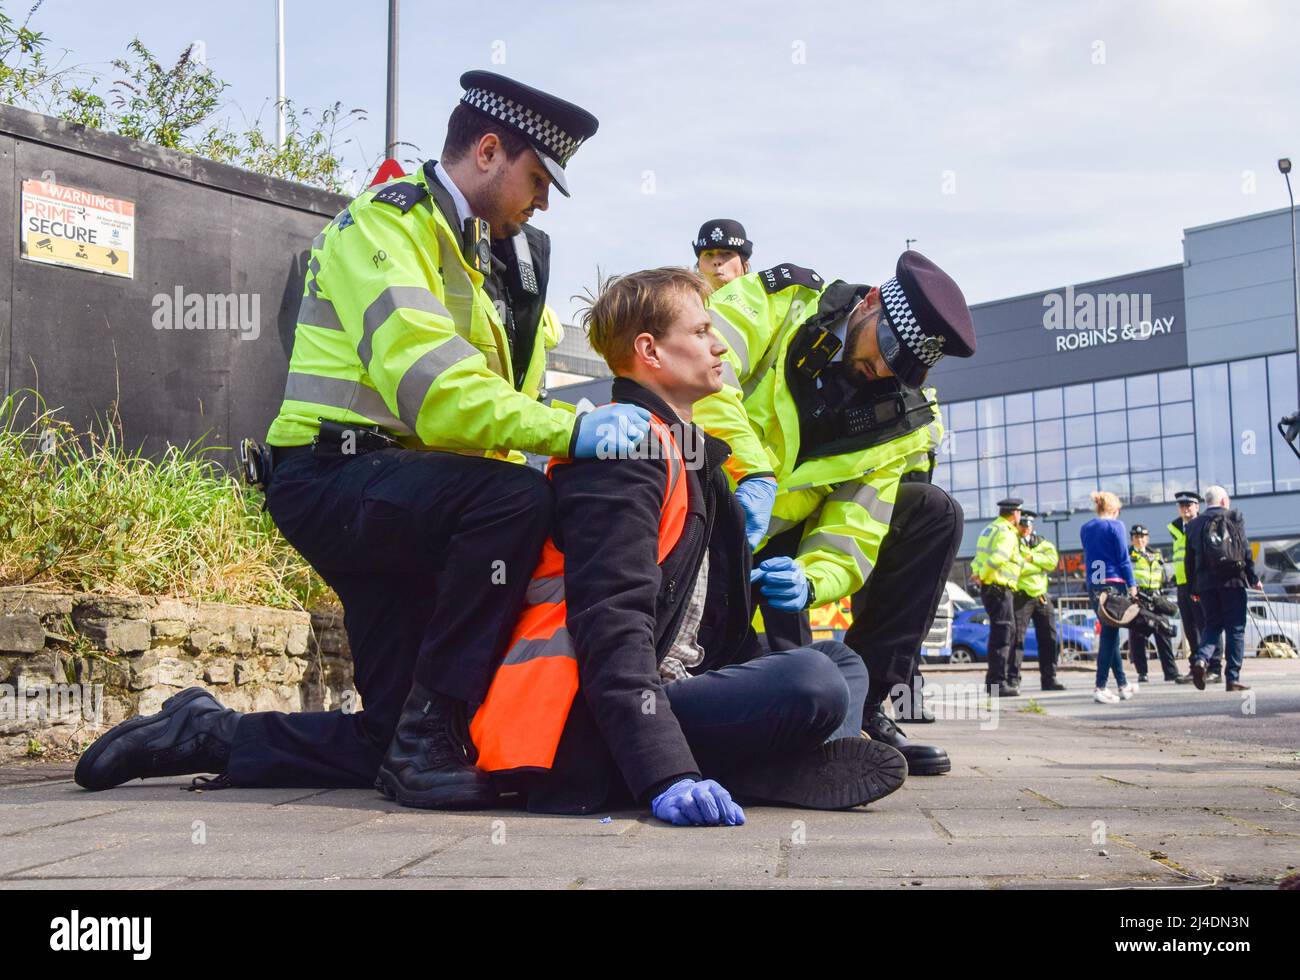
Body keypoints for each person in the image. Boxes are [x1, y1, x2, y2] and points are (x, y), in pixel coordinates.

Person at [74, 72, 654, 807]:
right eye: (537, 179)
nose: (542, 201)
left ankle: (206, 732)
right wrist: (574, 429)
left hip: (411, 497)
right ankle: (431, 734)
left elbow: (503, 403)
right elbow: (435, 391)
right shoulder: (382, 227)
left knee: (389, 738)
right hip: (332, 480)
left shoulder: (500, 260)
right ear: (486, 151)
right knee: (511, 502)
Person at [471, 267, 908, 824]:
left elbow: (710, 633)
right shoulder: (623, 455)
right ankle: (760, 770)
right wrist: (665, 772)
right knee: (813, 682)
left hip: (679, 687)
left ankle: (779, 766)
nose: (720, 342)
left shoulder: (695, 459)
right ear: (650, 351)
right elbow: (612, 623)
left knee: (837, 660)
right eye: (701, 332)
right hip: (590, 722)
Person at [693, 251, 976, 776]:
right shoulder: (778, 303)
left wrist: (809, 579)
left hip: (777, 546)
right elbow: (701, 376)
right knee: (737, 674)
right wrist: (752, 473)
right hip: (700, 510)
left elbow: (853, 528)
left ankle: (862, 712)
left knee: (932, 512)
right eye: (886, 345)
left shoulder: (900, 421)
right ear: (870, 301)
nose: (884, 369)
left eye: (905, 367)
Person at [1184, 485, 1261, 692]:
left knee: (1212, 626)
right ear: (1225, 501)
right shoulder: (1234, 517)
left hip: (1206, 585)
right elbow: (1245, 549)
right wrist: (1253, 577)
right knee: (1235, 629)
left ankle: (1201, 660)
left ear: (1205, 503)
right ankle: (1232, 678)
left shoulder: (1193, 525)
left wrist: (1193, 588)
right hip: (1233, 581)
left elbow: (1188, 560)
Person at [1079, 491, 1138, 704]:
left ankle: (1122, 684)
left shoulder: (1086, 528)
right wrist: (1132, 585)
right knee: (1109, 636)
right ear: (1114, 510)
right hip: (1114, 583)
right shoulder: (1116, 527)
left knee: (1109, 634)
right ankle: (1101, 686)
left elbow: (1091, 556)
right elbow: (1123, 559)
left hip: (1095, 583)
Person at [972, 498, 1025, 696]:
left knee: (1000, 634)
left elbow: (978, 558)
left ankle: (994, 682)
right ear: (1014, 514)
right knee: (1003, 636)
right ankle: (997, 683)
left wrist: (979, 574)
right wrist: (983, 575)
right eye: (1019, 513)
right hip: (999, 588)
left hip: (991, 588)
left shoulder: (989, 529)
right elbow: (998, 558)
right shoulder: (1007, 532)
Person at [1168, 490, 1222, 681]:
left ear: (1197, 507)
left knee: (1208, 624)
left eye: (1189, 505)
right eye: (1182, 506)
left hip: (1201, 582)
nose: (1185, 509)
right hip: (1183, 584)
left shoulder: (1205, 524)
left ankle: (1214, 668)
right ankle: (1196, 668)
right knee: (1190, 628)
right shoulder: (1175, 527)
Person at [1012, 510, 1066, 691]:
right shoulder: (1012, 541)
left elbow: (1052, 562)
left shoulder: (1042, 542)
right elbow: (1015, 566)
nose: (1025, 529)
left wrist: (1032, 558)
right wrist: (1037, 567)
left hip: (1041, 596)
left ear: (1032, 526)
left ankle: (1049, 678)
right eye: (1022, 525)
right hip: (1021, 596)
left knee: (1049, 638)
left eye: (1027, 526)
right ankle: (1013, 679)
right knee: (1017, 639)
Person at [1126, 524, 1180, 683]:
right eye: (1136, 537)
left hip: (1156, 597)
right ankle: (1142, 672)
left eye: (1142, 537)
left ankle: (1171, 672)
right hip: (1138, 599)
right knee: (1138, 637)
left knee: (1163, 632)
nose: (1140, 540)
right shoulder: (1128, 555)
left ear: (1147, 538)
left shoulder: (1155, 554)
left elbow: (1164, 575)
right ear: (1132, 539)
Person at [692, 218, 752, 293]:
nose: (717, 261)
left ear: (745, 265)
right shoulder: (681, 303)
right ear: (698, 267)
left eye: (727, 253)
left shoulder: (763, 301)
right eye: (709, 254)